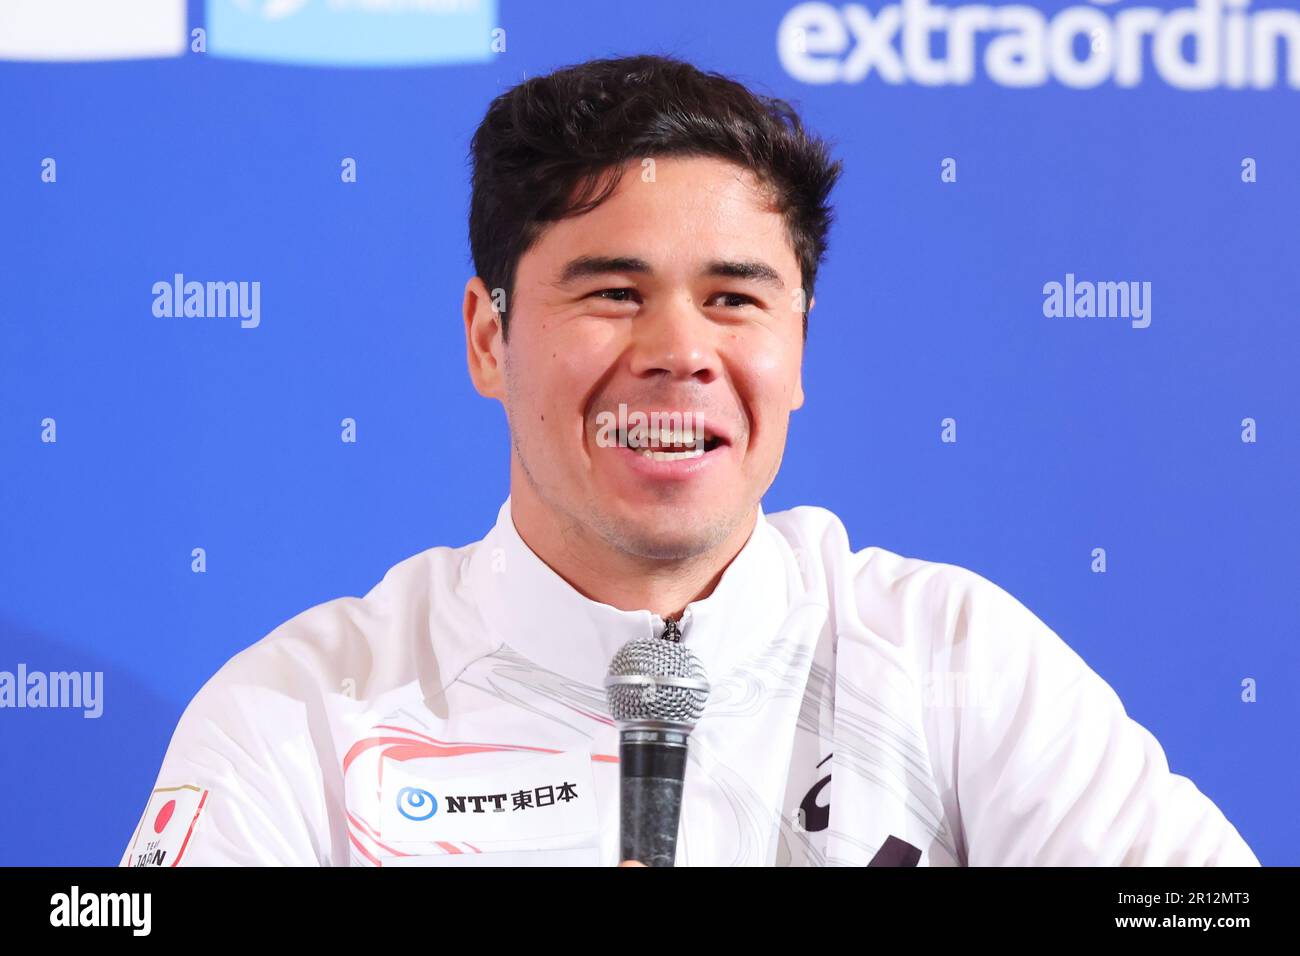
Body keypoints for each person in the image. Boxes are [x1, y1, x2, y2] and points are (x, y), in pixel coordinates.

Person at [119, 54, 1258, 867]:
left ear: (799, 345)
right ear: (487, 337)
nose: (679, 353)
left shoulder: (950, 659)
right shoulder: (306, 710)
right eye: (613, 293)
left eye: (733, 298)